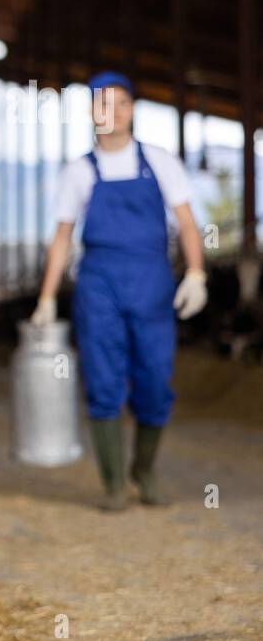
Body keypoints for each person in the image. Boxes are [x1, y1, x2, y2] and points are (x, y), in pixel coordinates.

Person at [30, 71, 207, 511]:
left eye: (123, 103)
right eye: (104, 103)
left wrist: (197, 273)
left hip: (150, 281)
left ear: (132, 110)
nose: (114, 112)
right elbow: (63, 236)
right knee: (105, 381)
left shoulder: (160, 161)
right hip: (99, 283)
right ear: (92, 112)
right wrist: (47, 297)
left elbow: (186, 222)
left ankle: (144, 472)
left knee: (154, 379)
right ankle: (112, 484)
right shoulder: (78, 171)